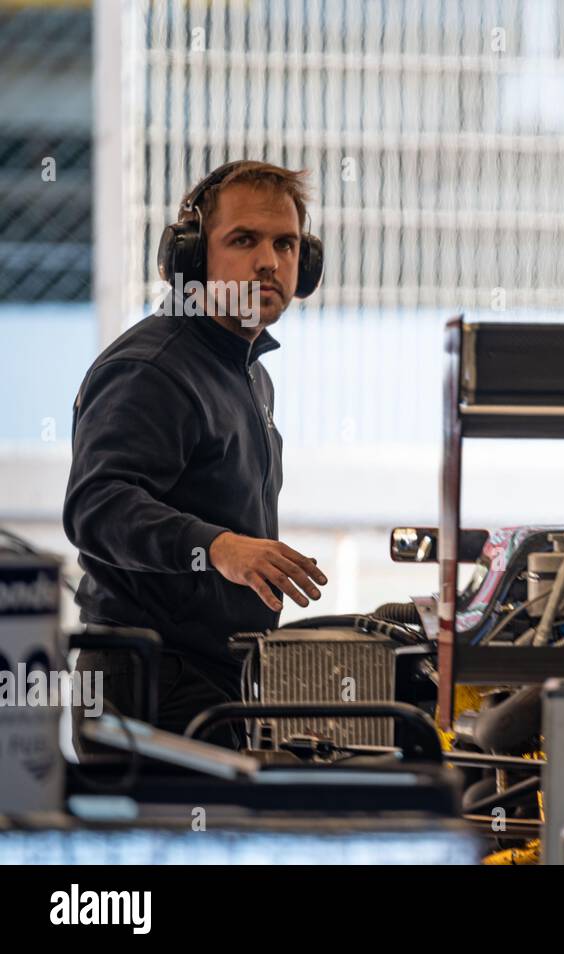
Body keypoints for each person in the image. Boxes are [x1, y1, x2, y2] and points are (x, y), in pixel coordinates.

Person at [64, 160, 329, 738]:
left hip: (212, 683)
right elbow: (97, 506)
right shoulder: (152, 369)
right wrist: (219, 548)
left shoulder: (245, 371)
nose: (269, 261)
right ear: (189, 258)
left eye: (286, 244)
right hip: (151, 689)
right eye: (243, 240)